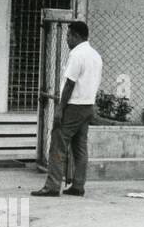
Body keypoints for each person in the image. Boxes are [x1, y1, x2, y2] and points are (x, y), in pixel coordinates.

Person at [32, 20, 101, 198]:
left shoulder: (77, 55)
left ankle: (52, 186)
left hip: (73, 106)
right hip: (88, 105)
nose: (67, 40)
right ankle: (78, 185)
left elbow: (69, 83)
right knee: (80, 147)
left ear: (77, 36)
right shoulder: (95, 55)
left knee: (57, 144)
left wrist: (60, 109)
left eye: (68, 36)